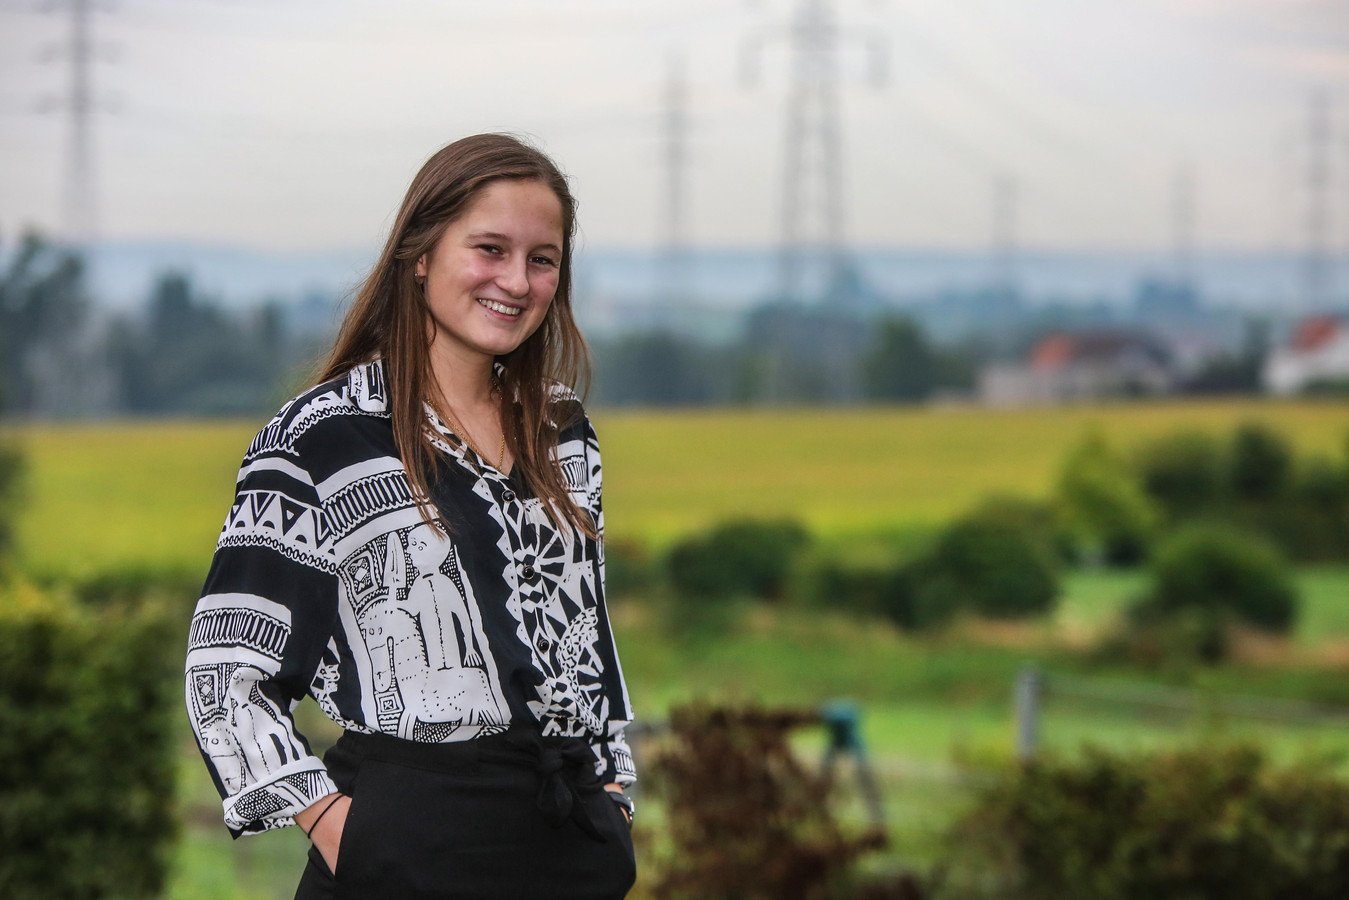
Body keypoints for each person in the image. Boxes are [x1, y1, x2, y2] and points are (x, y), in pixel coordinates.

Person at [184, 133, 637, 899]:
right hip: (405, 849)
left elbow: (581, 634)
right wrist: (337, 827)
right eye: (489, 249)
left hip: (566, 842)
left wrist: (614, 795)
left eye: (542, 259)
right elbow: (227, 668)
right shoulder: (321, 436)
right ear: (420, 253)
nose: (517, 281)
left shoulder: (560, 428)